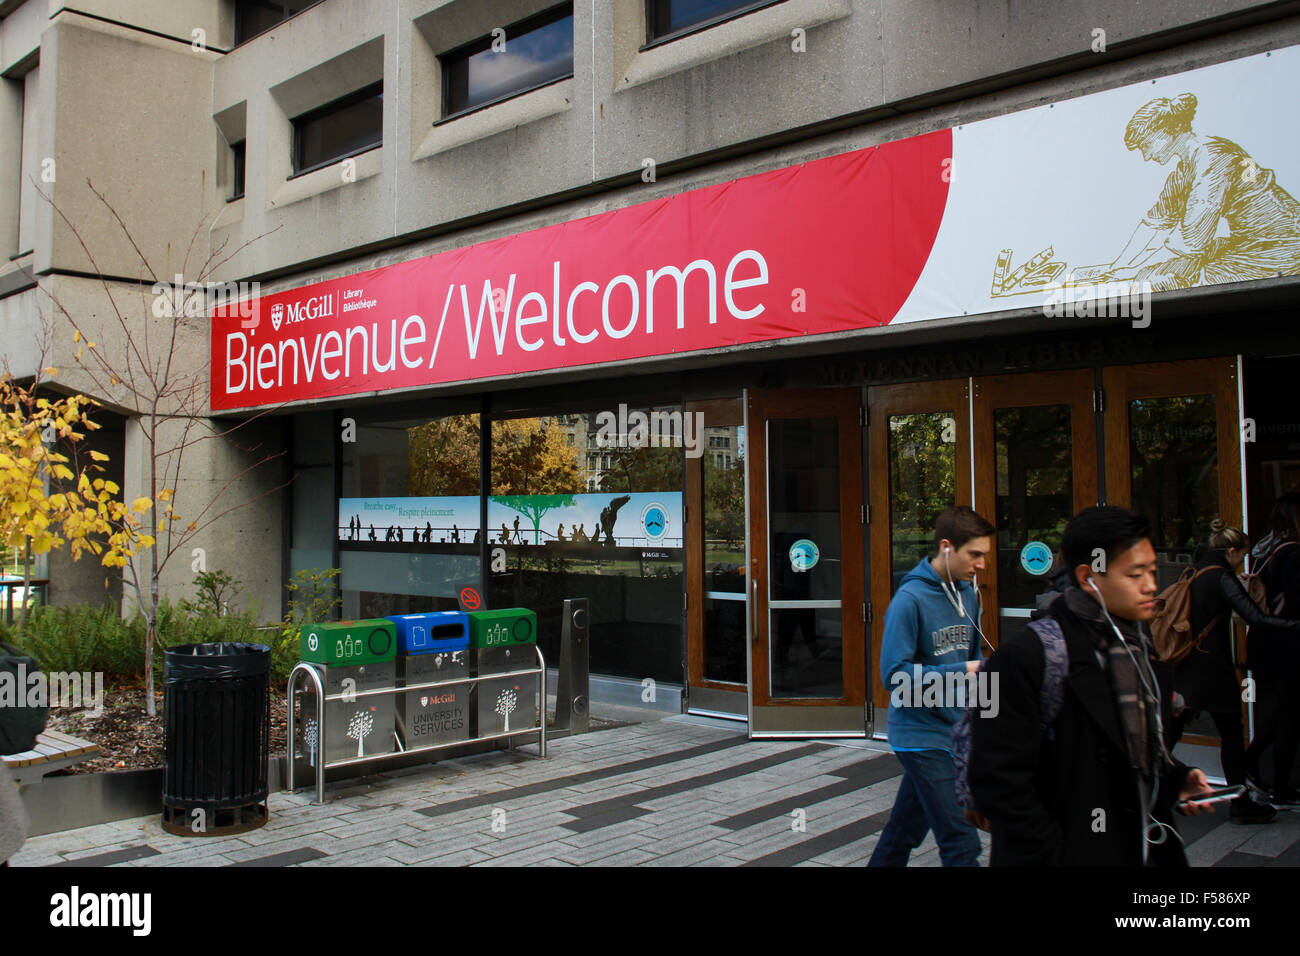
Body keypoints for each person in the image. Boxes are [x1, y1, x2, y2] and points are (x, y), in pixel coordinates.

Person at [969, 507, 1216, 866]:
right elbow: (995, 778)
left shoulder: (1136, 643)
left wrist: (1176, 776)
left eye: (1151, 571)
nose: (1151, 585)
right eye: (1135, 574)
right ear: (1089, 577)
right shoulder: (1026, 656)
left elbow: (1125, 747)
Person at [868, 506, 994, 868]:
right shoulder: (909, 600)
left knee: (902, 832)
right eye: (975, 554)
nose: (982, 564)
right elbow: (894, 678)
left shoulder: (969, 596)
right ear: (947, 547)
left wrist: (989, 720)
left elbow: (975, 669)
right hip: (918, 736)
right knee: (961, 842)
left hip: (954, 733)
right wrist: (964, 669)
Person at [1096, 93, 1300, 291]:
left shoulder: (1212, 156)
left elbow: (1193, 240)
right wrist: (1116, 269)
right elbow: (1154, 225)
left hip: (1280, 246)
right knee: (1146, 277)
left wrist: (1136, 271)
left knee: (1164, 282)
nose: (1147, 156)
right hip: (1246, 243)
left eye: (1148, 145)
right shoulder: (1184, 170)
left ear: (1171, 129)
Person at [1169, 520, 1299, 823]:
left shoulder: (1196, 570)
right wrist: (1294, 625)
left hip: (1188, 667)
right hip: (1213, 672)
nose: (1242, 560)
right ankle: (1241, 804)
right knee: (1231, 736)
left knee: (1170, 734)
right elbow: (1253, 616)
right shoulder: (1220, 576)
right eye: (1241, 554)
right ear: (1231, 550)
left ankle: (1146, 792)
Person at [1244, 492, 1300, 806]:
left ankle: (1266, 774)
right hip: (1285, 644)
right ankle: (1269, 776)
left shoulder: (1267, 548)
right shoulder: (1293, 553)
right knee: (1288, 714)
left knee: (1282, 713)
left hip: (1267, 642)